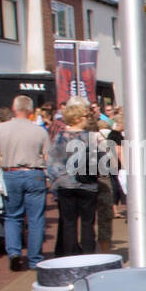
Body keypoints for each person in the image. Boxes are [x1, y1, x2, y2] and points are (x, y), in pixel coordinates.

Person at [0, 95, 51, 270]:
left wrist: (2, 169)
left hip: (11, 172)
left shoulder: (1, 129)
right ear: (31, 111)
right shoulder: (40, 131)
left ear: (14, 108)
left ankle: (14, 253)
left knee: (12, 216)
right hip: (34, 173)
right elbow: (47, 156)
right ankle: (35, 259)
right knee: (36, 218)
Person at [48, 98, 100, 255]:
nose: (87, 120)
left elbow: (53, 161)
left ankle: (70, 255)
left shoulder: (61, 137)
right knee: (87, 223)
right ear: (78, 118)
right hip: (87, 184)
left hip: (66, 184)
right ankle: (88, 254)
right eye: (85, 117)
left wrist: (56, 181)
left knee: (69, 223)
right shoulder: (89, 137)